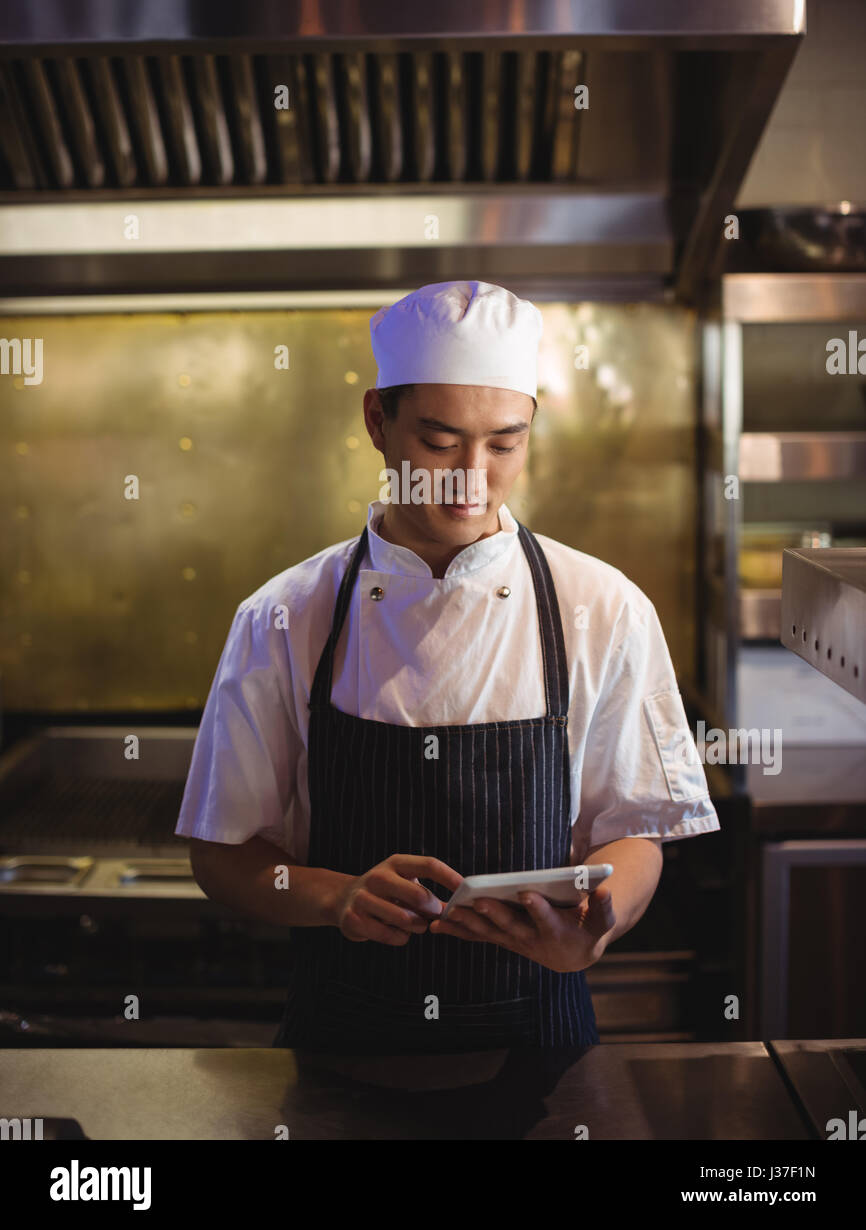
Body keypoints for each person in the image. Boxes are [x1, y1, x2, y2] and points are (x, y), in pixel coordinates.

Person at [176, 279, 719, 1054]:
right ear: (377, 421)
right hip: (341, 1056)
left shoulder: (601, 606)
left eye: (504, 443)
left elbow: (635, 833)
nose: (472, 476)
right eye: (439, 441)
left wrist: (596, 932)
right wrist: (338, 900)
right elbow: (223, 852)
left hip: (539, 1054)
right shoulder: (286, 615)